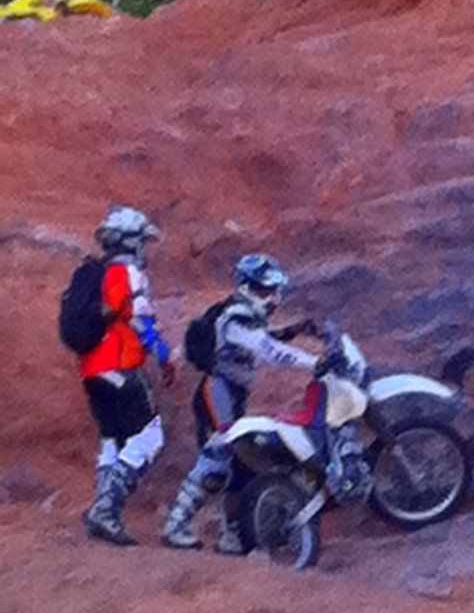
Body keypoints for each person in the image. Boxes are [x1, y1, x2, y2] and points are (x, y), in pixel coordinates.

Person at [162, 254, 318, 553]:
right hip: (217, 392)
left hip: (232, 395)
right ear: (247, 288)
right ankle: (176, 525)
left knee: (241, 463)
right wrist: (313, 362)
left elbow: (262, 340)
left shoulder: (244, 316)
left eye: (273, 291)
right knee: (217, 461)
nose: (271, 299)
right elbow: (266, 349)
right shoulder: (236, 315)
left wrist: (295, 330)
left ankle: (232, 535)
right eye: (264, 291)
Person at [79, 207, 174, 545]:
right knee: (150, 438)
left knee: (112, 440)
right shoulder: (128, 272)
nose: (144, 249)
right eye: (142, 242)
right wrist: (163, 355)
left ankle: (101, 515)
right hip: (118, 365)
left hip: (91, 369)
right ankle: (105, 510)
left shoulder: (99, 272)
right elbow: (140, 318)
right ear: (131, 241)